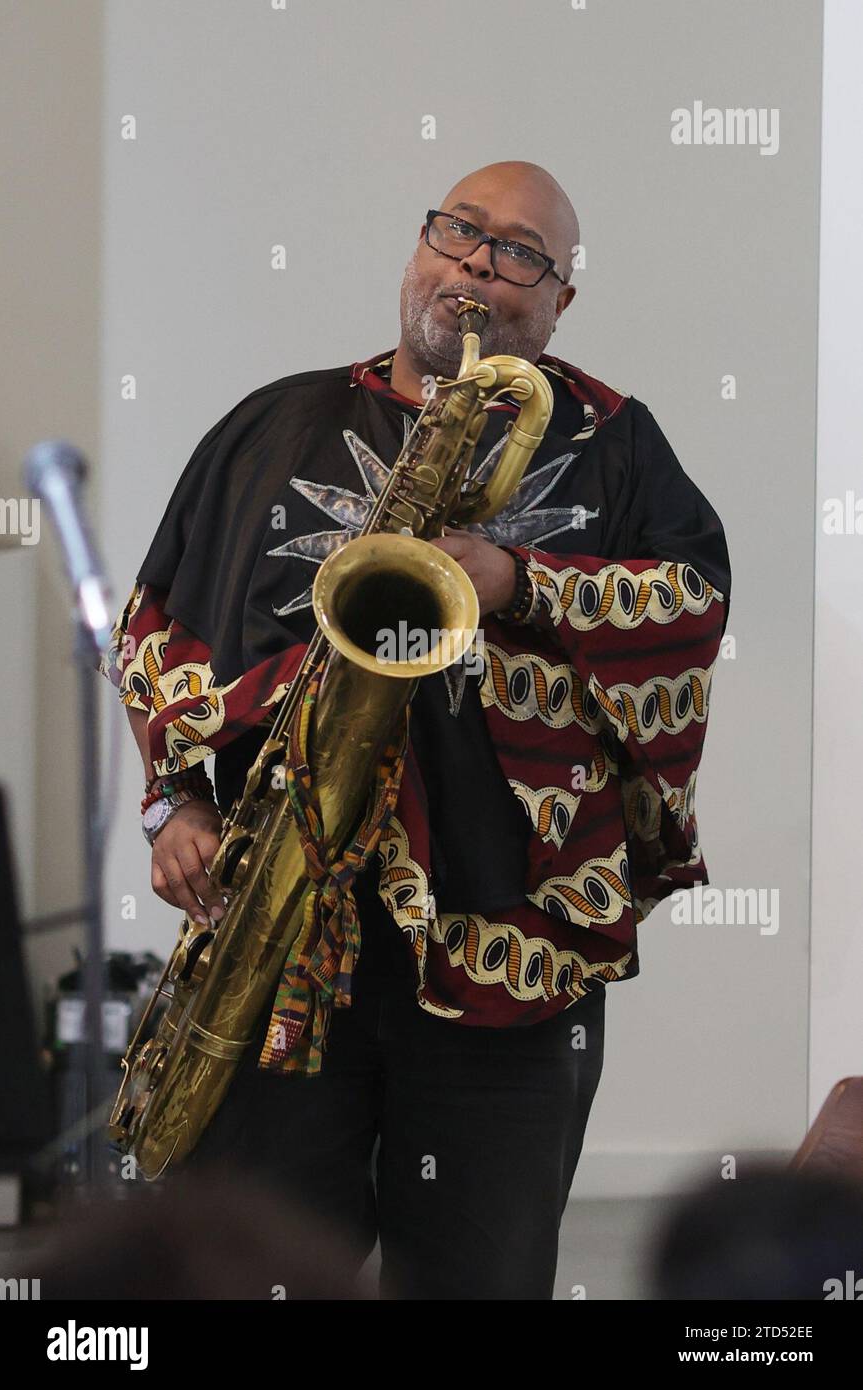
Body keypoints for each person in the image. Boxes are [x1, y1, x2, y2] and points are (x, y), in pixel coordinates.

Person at [100, 160, 732, 1300]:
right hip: (281, 934)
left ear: (559, 300)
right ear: (419, 250)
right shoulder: (268, 426)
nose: (481, 262)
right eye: (461, 231)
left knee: (479, 1278)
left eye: (521, 252)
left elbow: (690, 612)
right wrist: (172, 802)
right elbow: (157, 635)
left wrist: (520, 582)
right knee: (250, 1275)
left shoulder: (617, 443)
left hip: (512, 952)